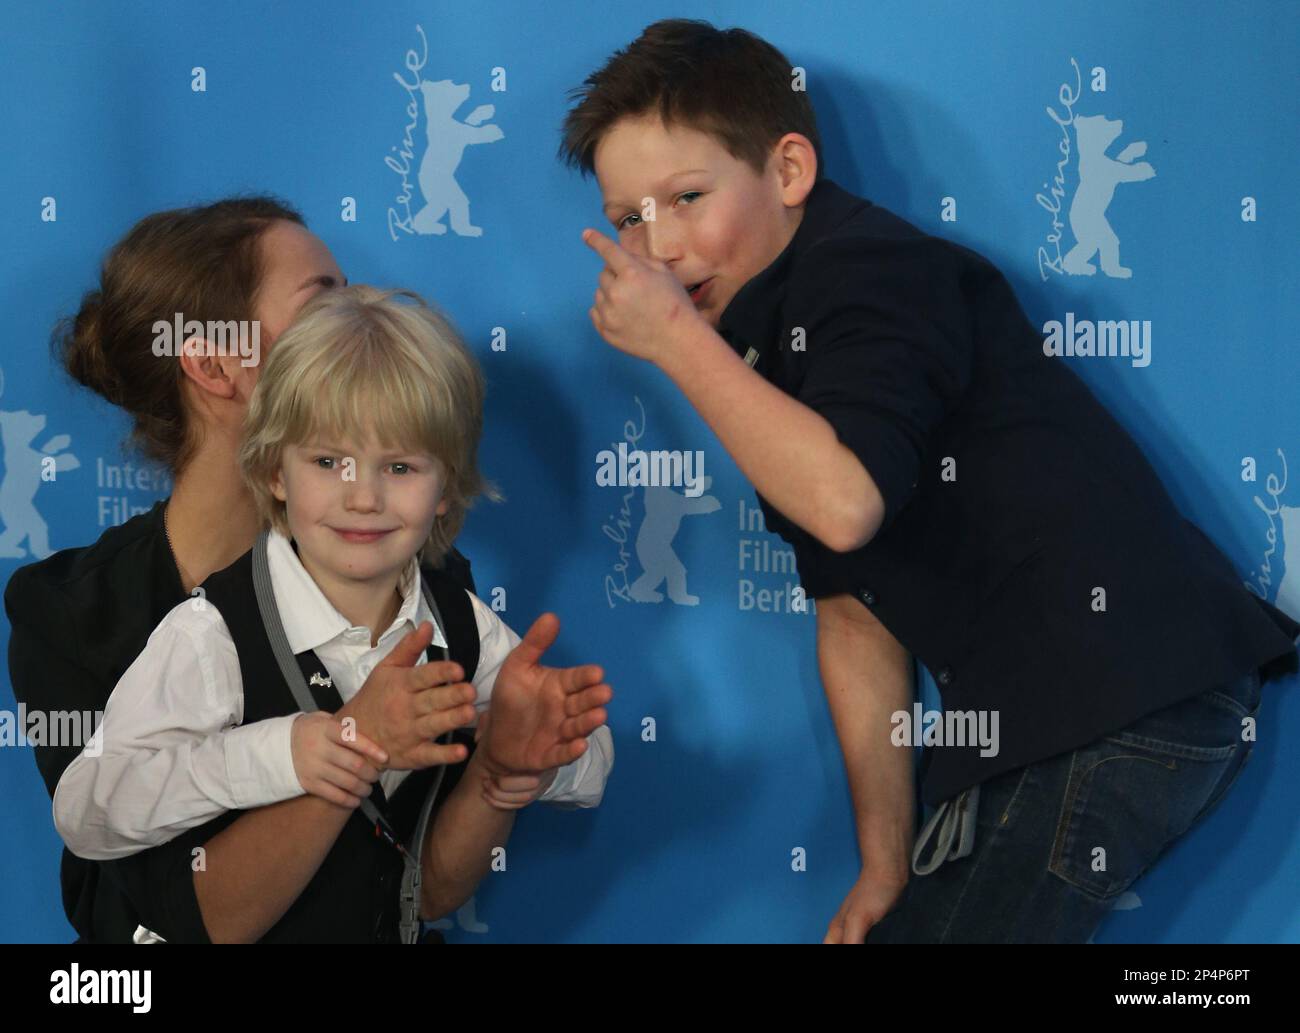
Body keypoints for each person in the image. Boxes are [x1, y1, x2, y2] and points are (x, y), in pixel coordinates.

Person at [559, 18, 1300, 943]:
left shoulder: (868, 271)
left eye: (687, 197)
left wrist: (674, 344)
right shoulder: (761, 354)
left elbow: (845, 501)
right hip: (1080, 713)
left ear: (789, 171)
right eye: (629, 218)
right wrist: (883, 864)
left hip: (1117, 695)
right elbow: (854, 615)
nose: (657, 245)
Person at [7, 198, 510, 941]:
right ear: (213, 363)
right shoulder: (74, 615)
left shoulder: (423, 579)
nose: (360, 324)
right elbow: (168, 912)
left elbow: (422, 879)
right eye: (322, 302)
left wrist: (514, 761)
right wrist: (339, 744)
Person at [47, 284, 614, 942]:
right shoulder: (213, 633)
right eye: (328, 461)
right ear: (276, 473)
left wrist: (513, 756)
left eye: (399, 465)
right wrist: (299, 749)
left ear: (444, 487)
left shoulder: (458, 621)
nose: (364, 496)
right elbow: (85, 809)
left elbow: (588, 763)